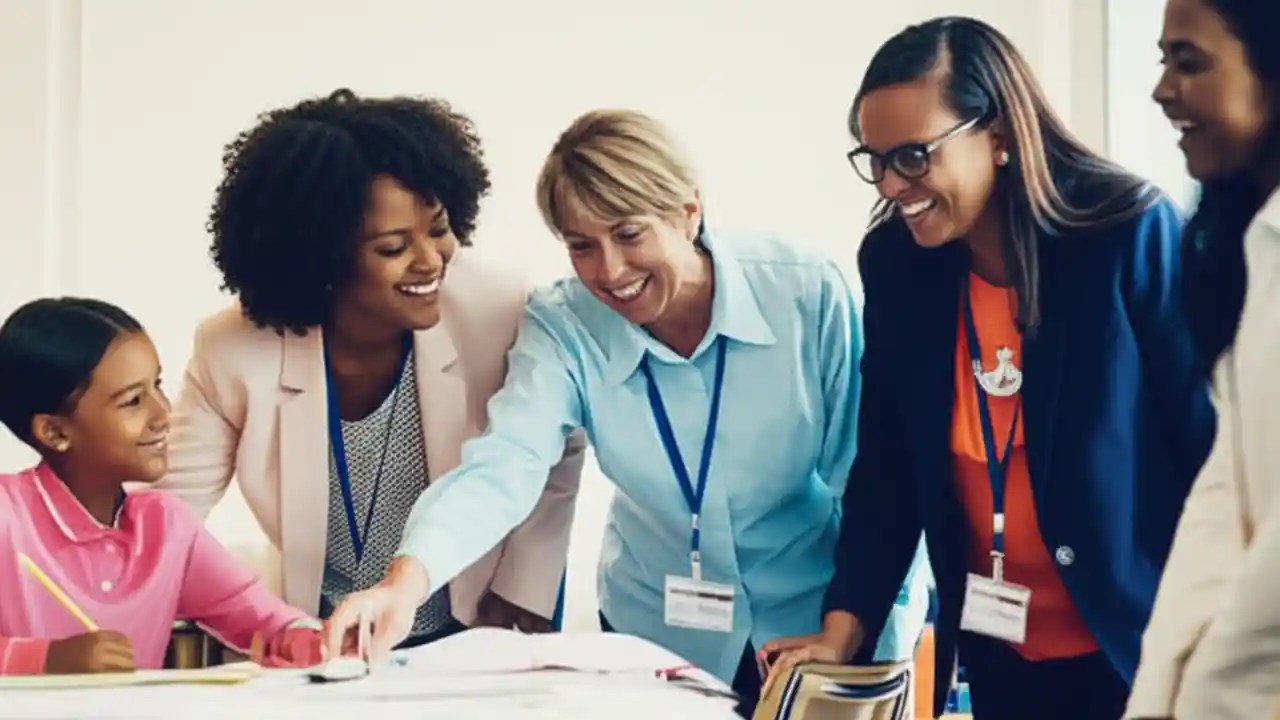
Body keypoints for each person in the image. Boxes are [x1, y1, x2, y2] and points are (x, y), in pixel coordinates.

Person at [323, 108, 931, 717]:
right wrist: (404, 584)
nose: (610, 271)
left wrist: (869, 636)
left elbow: (876, 482)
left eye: (630, 234)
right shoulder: (563, 326)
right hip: (658, 640)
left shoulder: (805, 294)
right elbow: (503, 465)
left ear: (688, 212)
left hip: (820, 625)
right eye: (582, 246)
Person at [760, 16, 1215, 720]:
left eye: (912, 156)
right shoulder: (899, 265)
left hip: (1142, 647)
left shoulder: (1126, 234)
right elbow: (887, 468)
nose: (889, 184)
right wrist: (842, 627)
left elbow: (1208, 450)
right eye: (873, 159)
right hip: (1000, 654)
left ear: (997, 135)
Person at [155, 89, 585, 646]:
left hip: (478, 622)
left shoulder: (496, 309)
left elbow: (552, 450)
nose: (430, 260)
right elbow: (166, 516)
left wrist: (522, 592)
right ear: (321, 257)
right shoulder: (234, 349)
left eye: (438, 228)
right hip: (327, 636)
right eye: (392, 247)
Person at [0, 298, 322, 675]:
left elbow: (261, 618)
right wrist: (45, 659)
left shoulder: (165, 525)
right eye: (133, 401)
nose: (163, 413)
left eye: (157, 386)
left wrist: (302, 637)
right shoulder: (8, 515)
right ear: (55, 432)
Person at [1126, 1, 1280, 718]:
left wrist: (1211, 695)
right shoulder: (1247, 243)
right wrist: (1162, 697)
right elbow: (1224, 504)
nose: (1162, 89)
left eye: (1189, 62)